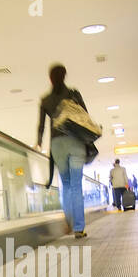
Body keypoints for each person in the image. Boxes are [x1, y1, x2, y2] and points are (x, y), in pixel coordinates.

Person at [36, 63, 88, 237]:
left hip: (57, 144)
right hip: (75, 141)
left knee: (65, 185)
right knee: (76, 186)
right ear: (65, 76)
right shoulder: (73, 94)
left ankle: (69, 222)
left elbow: (41, 126)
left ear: (50, 79)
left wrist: (38, 143)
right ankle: (79, 228)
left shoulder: (45, 100)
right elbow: (85, 116)